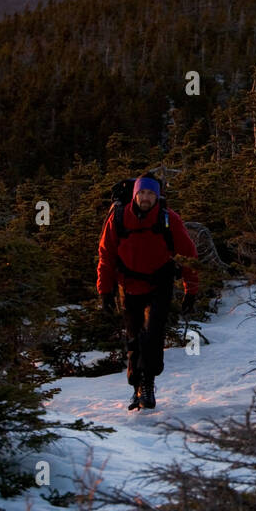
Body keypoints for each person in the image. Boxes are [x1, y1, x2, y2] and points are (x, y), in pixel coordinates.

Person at [96, 173, 199, 410]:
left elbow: (188, 255)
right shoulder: (119, 218)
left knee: (153, 335)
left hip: (159, 285)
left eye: (151, 194)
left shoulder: (168, 219)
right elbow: (106, 256)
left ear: (157, 196)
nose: (146, 198)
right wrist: (105, 291)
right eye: (142, 193)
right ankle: (136, 388)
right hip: (128, 286)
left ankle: (148, 384)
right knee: (134, 338)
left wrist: (190, 290)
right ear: (135, 195)